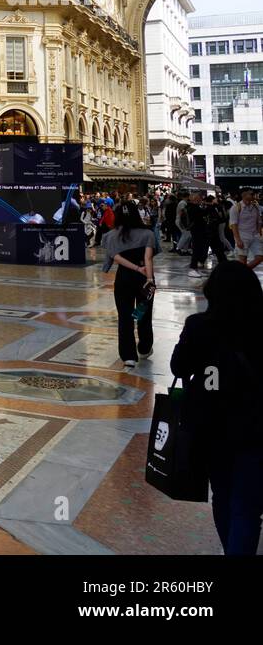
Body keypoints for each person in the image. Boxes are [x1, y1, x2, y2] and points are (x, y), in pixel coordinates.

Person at [169, 262, 263, 556]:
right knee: (247, 507)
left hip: (210, 426)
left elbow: (179, 367)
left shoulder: (199, 325)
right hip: (255, 428)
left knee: (222, 495)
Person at [101, 201, 156, 368]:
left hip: (124, 279)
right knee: (142, 314)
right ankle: (145, 347)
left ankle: (128, 356)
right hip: (144, 280)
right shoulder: (148, 234)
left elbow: (111, 260)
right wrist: (149, 278)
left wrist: (133, 268)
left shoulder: (110, 236)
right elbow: (149, 258)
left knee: (125, 316)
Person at [230, 188, 263, 270]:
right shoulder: (236, 208)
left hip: (255, 236)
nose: (253, 195)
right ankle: (242, 277)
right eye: (251, 194)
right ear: (244, 195)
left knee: (260, 256)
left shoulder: (256, 207)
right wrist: (237, 239)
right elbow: (234, 224)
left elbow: (259, 222)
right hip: (242, 236)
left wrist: (258, 233)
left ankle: (244, 272)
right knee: (242, 261)